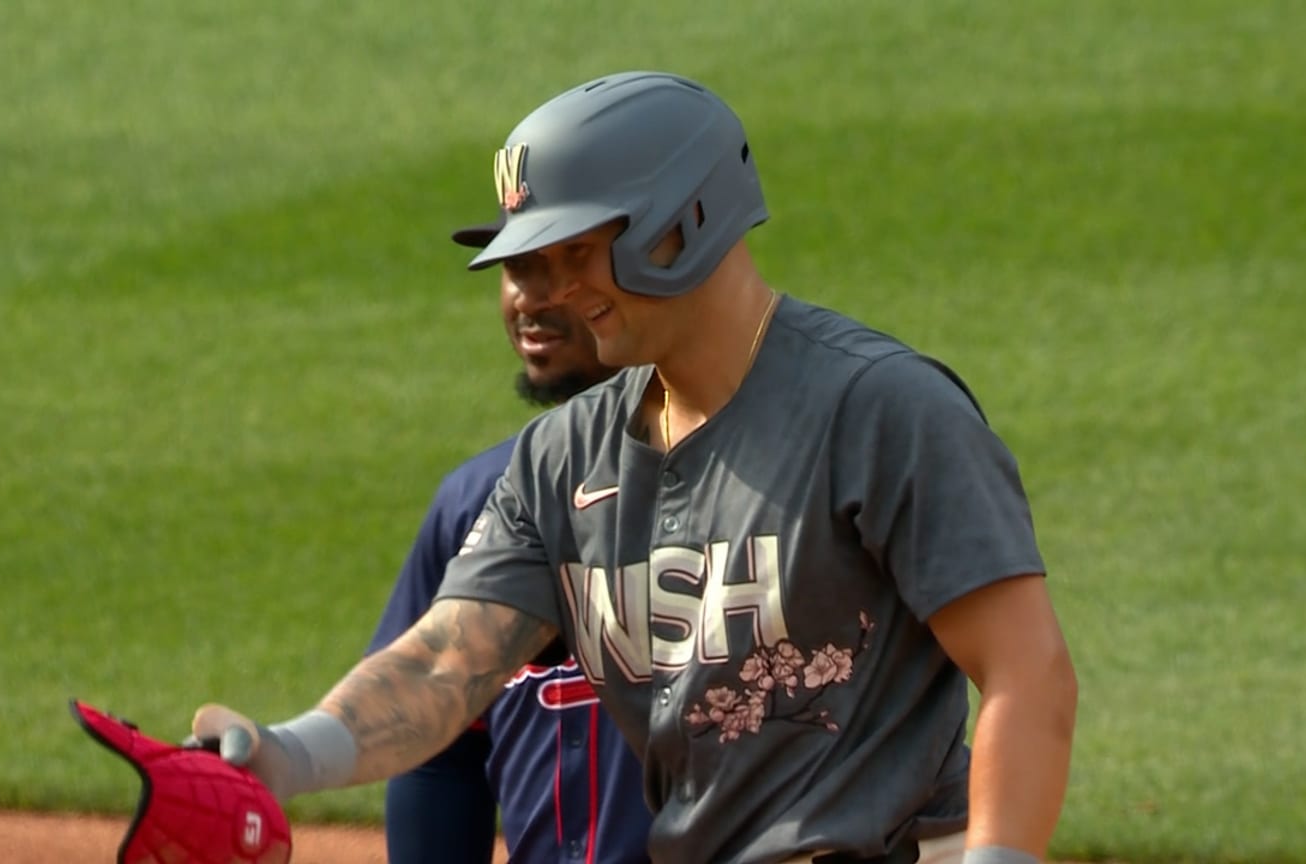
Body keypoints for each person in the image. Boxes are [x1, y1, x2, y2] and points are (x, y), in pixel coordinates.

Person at [191, 71, 1078, 864]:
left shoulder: (880, 409)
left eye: (574, 251)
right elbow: (443, 664)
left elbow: (1026, 669)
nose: (545, 291)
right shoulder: (562, 455)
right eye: (527, 264)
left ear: (681, 222)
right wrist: (285, 753)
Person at [365, 217, 651, 864]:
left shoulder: (758, 488)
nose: (529, 297)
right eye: (516, 266)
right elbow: (434, 746)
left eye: (562, 262)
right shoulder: (478, 503)